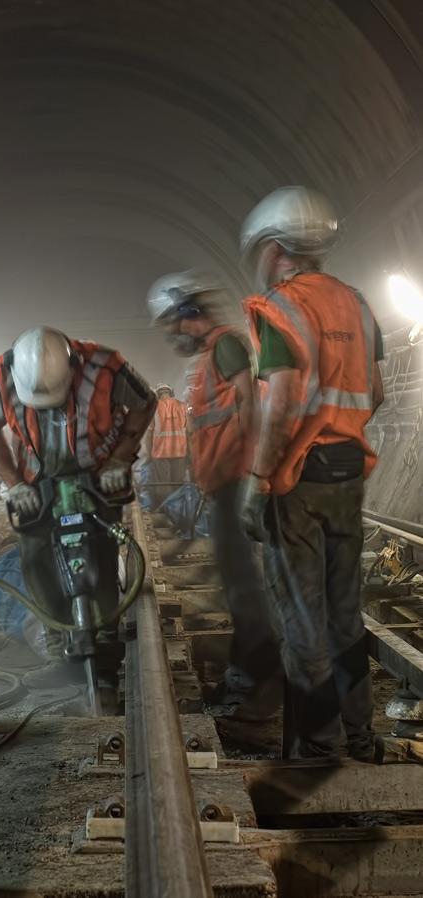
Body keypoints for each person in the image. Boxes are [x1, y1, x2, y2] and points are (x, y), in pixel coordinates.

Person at [239, 185, 385, 759]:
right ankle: (361, 736)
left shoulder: (280, 307)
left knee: (302, 620)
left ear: (275, 249)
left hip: (298, 480)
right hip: (348, 475)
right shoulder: (359, 305)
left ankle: (320, 748)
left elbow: (280, 405)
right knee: (345, 616)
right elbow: (375, 392)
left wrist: (258, 482)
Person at [0, 326, 156, 705]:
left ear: (73, 366)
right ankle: (60, 651)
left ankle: (104, 658)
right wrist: (14, 484)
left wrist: (120, 459)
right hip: (37, 481)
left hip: (99, 476)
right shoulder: (2, 375)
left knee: (101, 558)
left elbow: (146, 402)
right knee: (35, 558)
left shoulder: (106, 366)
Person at [147, 271, 281, 719]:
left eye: (174, 323)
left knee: (244, 586)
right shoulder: (211, 356)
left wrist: (253, 477)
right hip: (224, 485)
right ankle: (242, 677)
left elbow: (250, 408)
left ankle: (263, 682)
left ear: (188, 311)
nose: (174, 335)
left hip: (238, 482)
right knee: (236, 584)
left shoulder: (225, 345)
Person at [143, 383, 188, 508]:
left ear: (158, 394)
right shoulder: (183, 406)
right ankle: (178, 510)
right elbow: (189, 431)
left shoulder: (154, 408)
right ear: (170, 392)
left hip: (160, 452)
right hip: (180, 451)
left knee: (163, 484)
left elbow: (149, 434)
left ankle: (165, 510)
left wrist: (148, 455)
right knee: (178, 483)